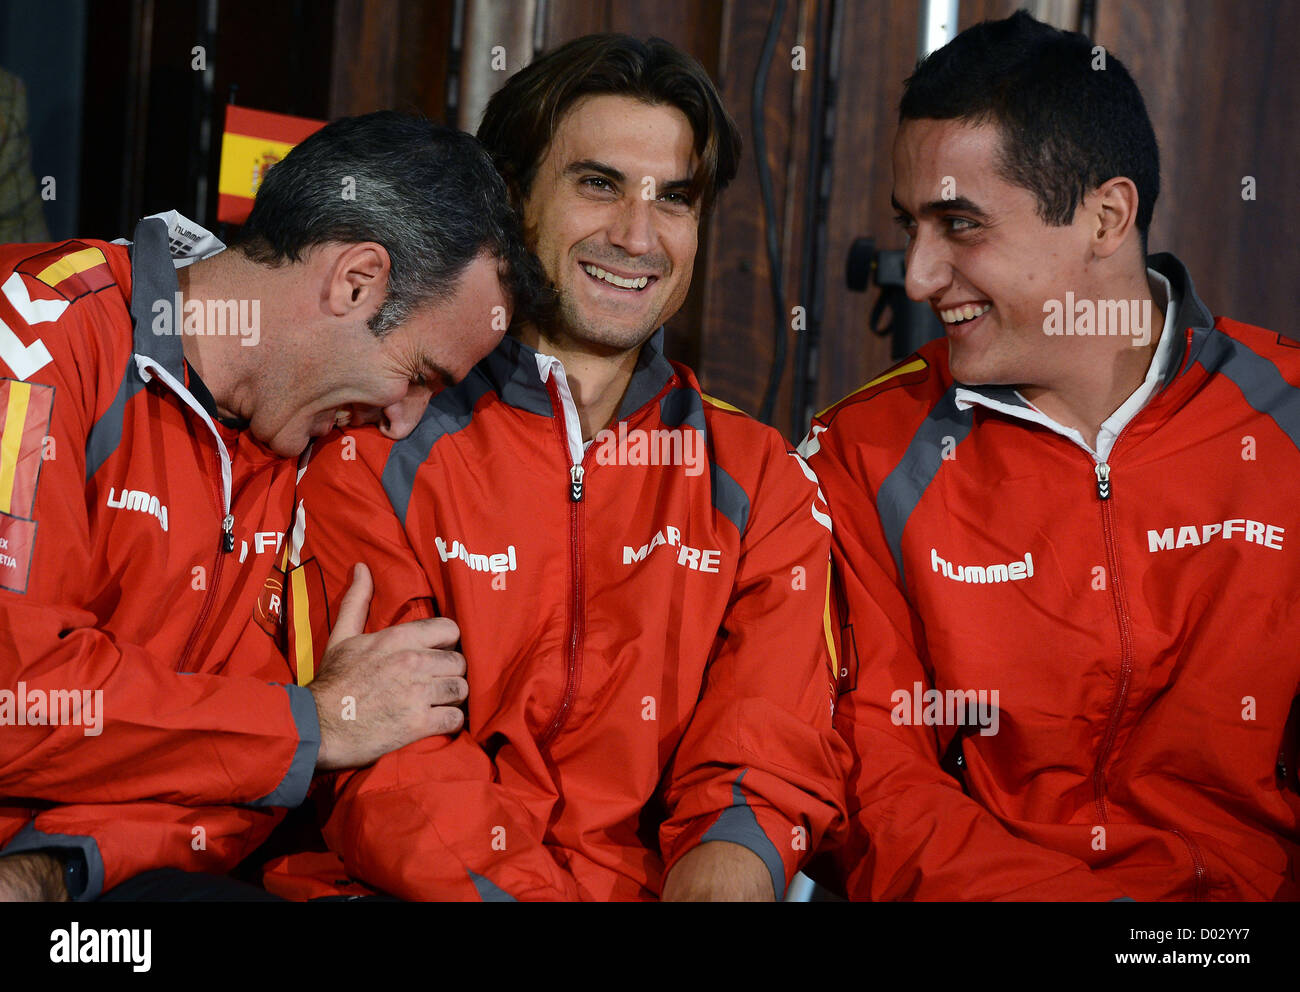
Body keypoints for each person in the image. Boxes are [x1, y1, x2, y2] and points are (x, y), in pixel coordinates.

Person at [267, 35, 848, 902]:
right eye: (598, 184)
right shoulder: (378, 435)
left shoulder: (760, 478)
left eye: (675, 199)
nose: (637, 236)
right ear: (512, 195)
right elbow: (389, 778)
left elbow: (759, 771)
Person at [803, 10, 1300, 900]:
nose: (916, 276)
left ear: (1106, 215)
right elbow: (879, 784)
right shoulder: (861, 454)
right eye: (909, 225)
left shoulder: (1290, 421)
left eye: (959, 225)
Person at [0, 111, 541, 900]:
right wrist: (307, 724)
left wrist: (60, 865)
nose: (403, 419)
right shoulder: (39, 335)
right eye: (421, 374)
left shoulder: (310, 455)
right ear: (355, 281)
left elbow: (245, 784)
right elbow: (18, 695)